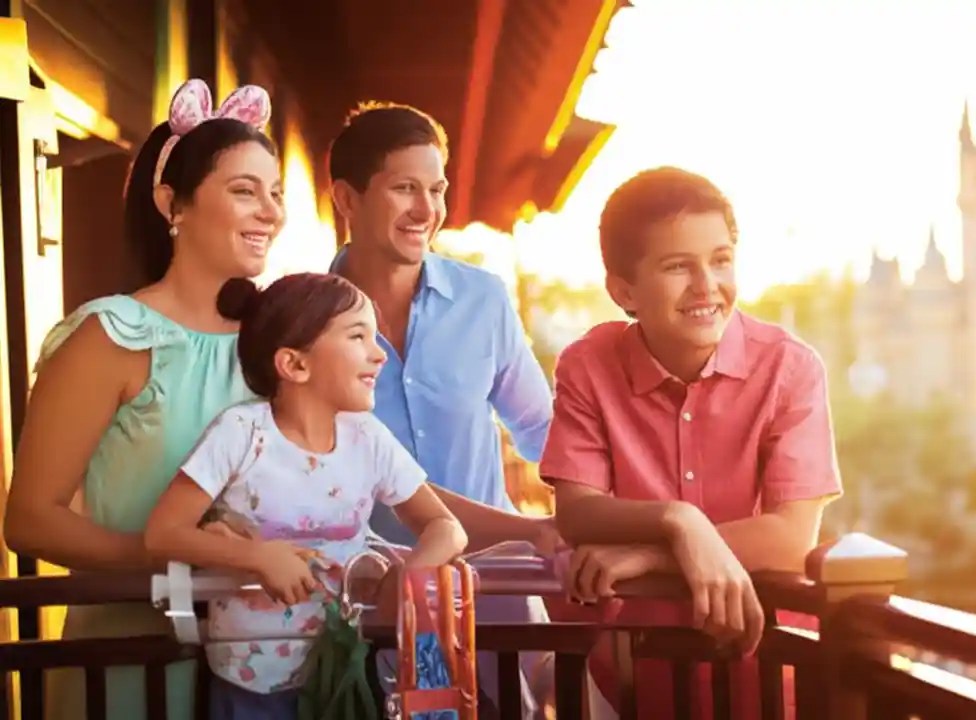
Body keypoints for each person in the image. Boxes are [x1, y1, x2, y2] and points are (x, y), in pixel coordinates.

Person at [3, 78, 282, 720]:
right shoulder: (113, 334)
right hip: (130, 666)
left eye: (275, 193)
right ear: (171, 203)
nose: (269, 211)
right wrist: (181, 564)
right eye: (244, 190)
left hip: (270, 666)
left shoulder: (281, 340)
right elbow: (30, 519)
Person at [539, 166, 842, 720]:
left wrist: (649, 555)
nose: (707, 286)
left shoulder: (790, 369)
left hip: (767, 673)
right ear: (623, 290)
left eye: (720, 259)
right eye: (678, 266)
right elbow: (578, 515)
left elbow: (791, 538)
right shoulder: (587, 366)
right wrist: (681, 522)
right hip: (631, 674)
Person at [143, 273, 468, 719]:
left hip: (343, 673)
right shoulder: (240, 433)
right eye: (358, 337)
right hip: (249, 684)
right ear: (295, 365)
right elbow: (163, 534)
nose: (380, 355)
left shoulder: (367, 437)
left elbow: (446, 528)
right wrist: (260, 558)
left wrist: (407, 578)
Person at [326, 103, 557, 717]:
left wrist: (606, 519)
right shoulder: (303, 323)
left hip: (499, 599)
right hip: (374, 603)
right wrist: (529, 531)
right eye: (404, 188)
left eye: (436, 189)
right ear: (346, 198)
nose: (427, 210)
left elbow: (543, 430)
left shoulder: (483, 300)